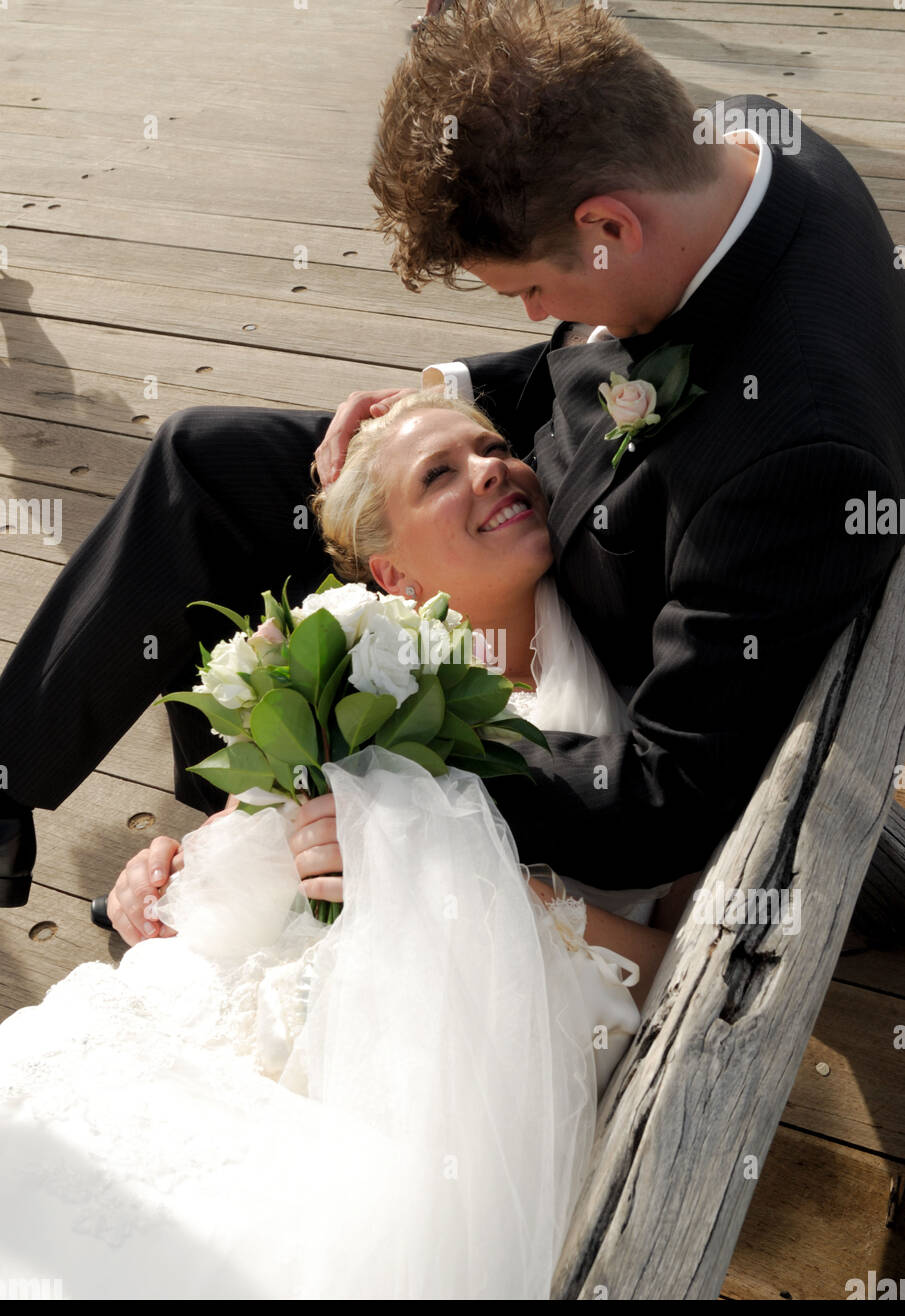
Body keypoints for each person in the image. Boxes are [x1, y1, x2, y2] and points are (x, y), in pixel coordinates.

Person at [2, 0, 903, 927]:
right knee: (211, 461)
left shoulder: (797, 450)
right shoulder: (734, 152)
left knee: (309, 613)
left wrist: (380, 771)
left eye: (530, 289)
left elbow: (664, 796)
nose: (530, 316)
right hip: (533, 489)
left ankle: (271, 846)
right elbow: (575, 373)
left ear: (610, 225)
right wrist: (435, 398)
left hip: (590, 613)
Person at [0, 396, 691, 1300]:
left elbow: (672, 960)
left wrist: (455, 873)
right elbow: (257, 837)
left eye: (491, 448)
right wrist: (161, 872)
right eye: (439, 475)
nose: (491, 468)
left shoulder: (628, 704)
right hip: (263, 1012)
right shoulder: (365, 674)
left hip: (426, 1096)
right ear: (393, 578)